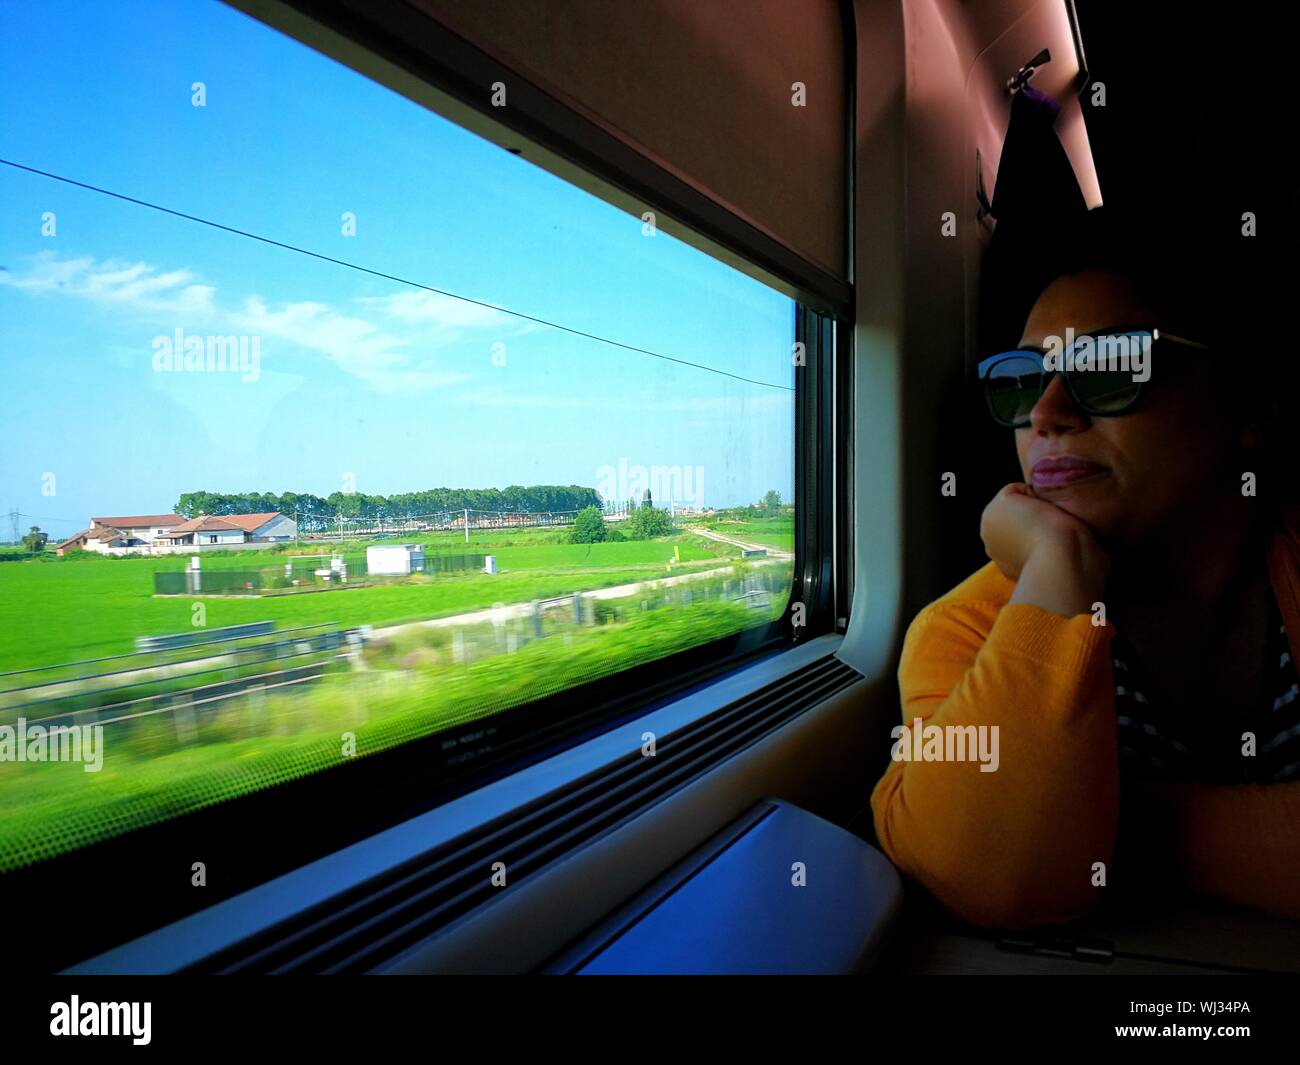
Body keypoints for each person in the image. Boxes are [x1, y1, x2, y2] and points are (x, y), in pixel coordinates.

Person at [869, 204, 1300, 928]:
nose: (1047, 411)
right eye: (1018, 380)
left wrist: (1100, 818)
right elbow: (985, 872)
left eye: (1110, 366)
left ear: (1243, 404)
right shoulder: (961, 632)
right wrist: (1057, 567)